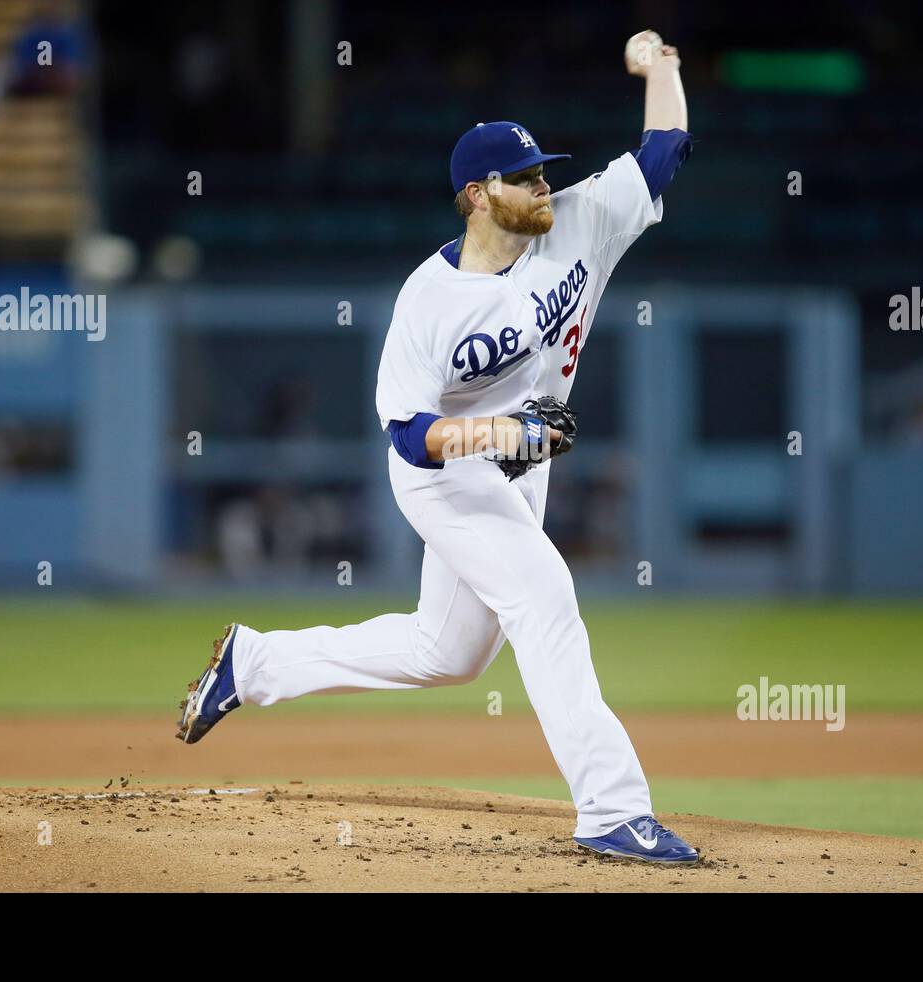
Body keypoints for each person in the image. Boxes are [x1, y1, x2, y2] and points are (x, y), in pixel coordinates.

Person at [178, 30, 698, 864]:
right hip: (447, 477)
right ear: (476, 195)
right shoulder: (428, 301)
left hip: (519, 473)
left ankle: (254, 662)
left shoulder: (582, 221)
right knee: (545, 599)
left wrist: (660, 66)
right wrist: (502, 431)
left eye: (543, 170)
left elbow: (665, 149)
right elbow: (412, 438)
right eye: (523, 177)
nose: (542, 184)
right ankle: (611, 810)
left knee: (446, 653)